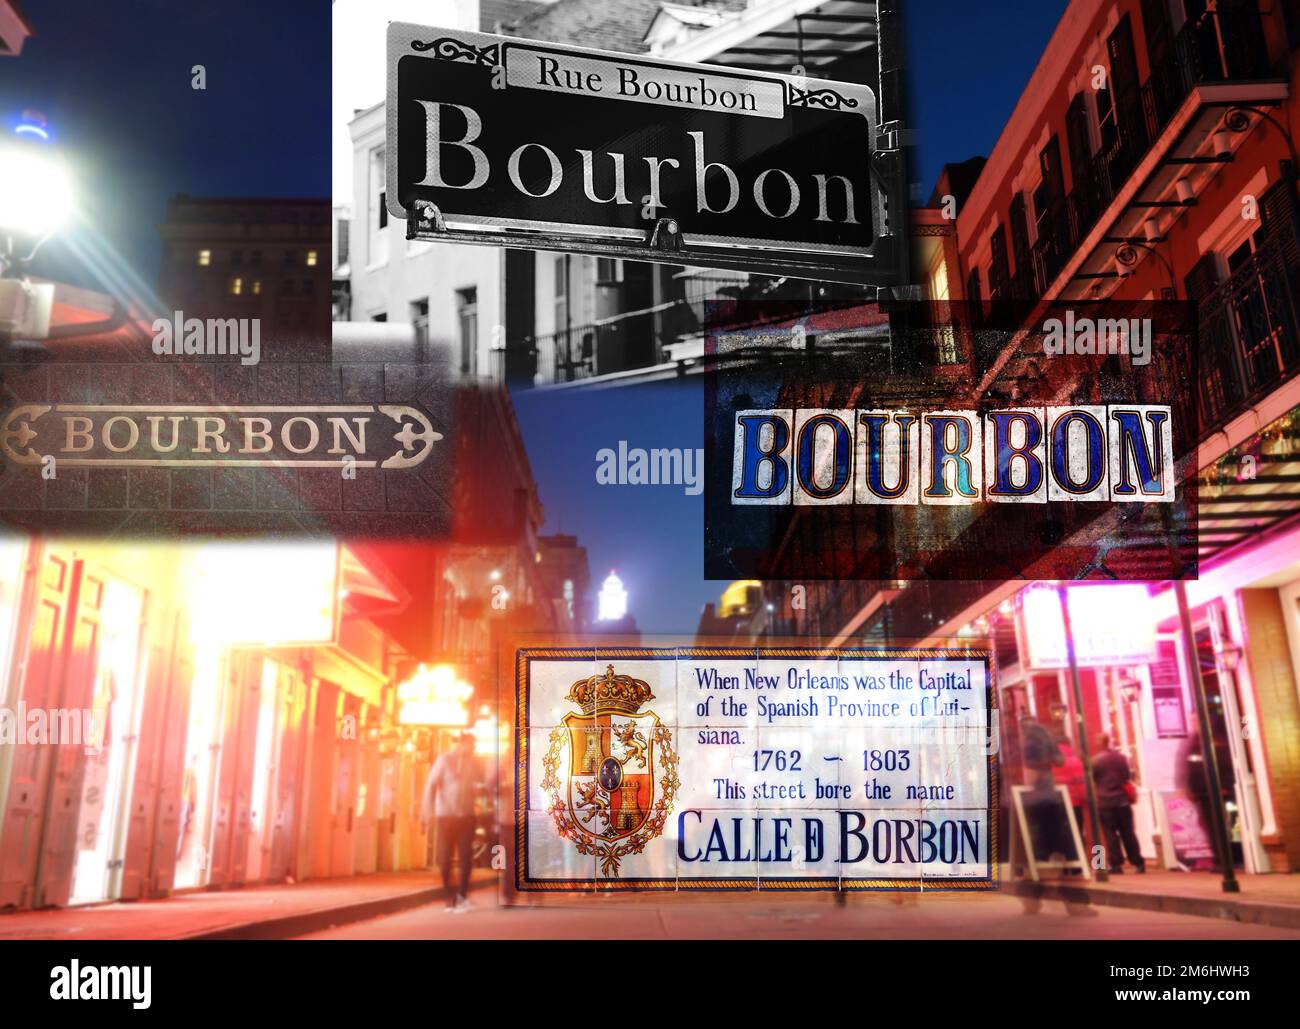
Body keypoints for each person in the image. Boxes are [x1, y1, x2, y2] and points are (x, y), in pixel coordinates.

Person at [422, 732, 481, 912]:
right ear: (462, 744)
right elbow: (431, 785)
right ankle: (449, 895)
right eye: (471, 745)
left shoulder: (473, 764)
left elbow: (477, 785)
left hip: (467, 816)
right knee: (444, 858)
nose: (473, 749)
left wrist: (478, 789)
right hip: (446, 816)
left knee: (466, 858)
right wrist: (426, 813)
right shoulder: (444, 760)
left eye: (474, 746)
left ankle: (462, 895)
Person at [1092, 734, 1145, 874]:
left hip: (1105, 802)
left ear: (1099, 743)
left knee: (1110, 834)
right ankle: (1138, 862)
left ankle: (1116, 864)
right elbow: (1127, 776)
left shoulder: (1096, 761)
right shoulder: (1121, 758)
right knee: (1128, 832)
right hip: (1122, 801)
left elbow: (1092, 779)